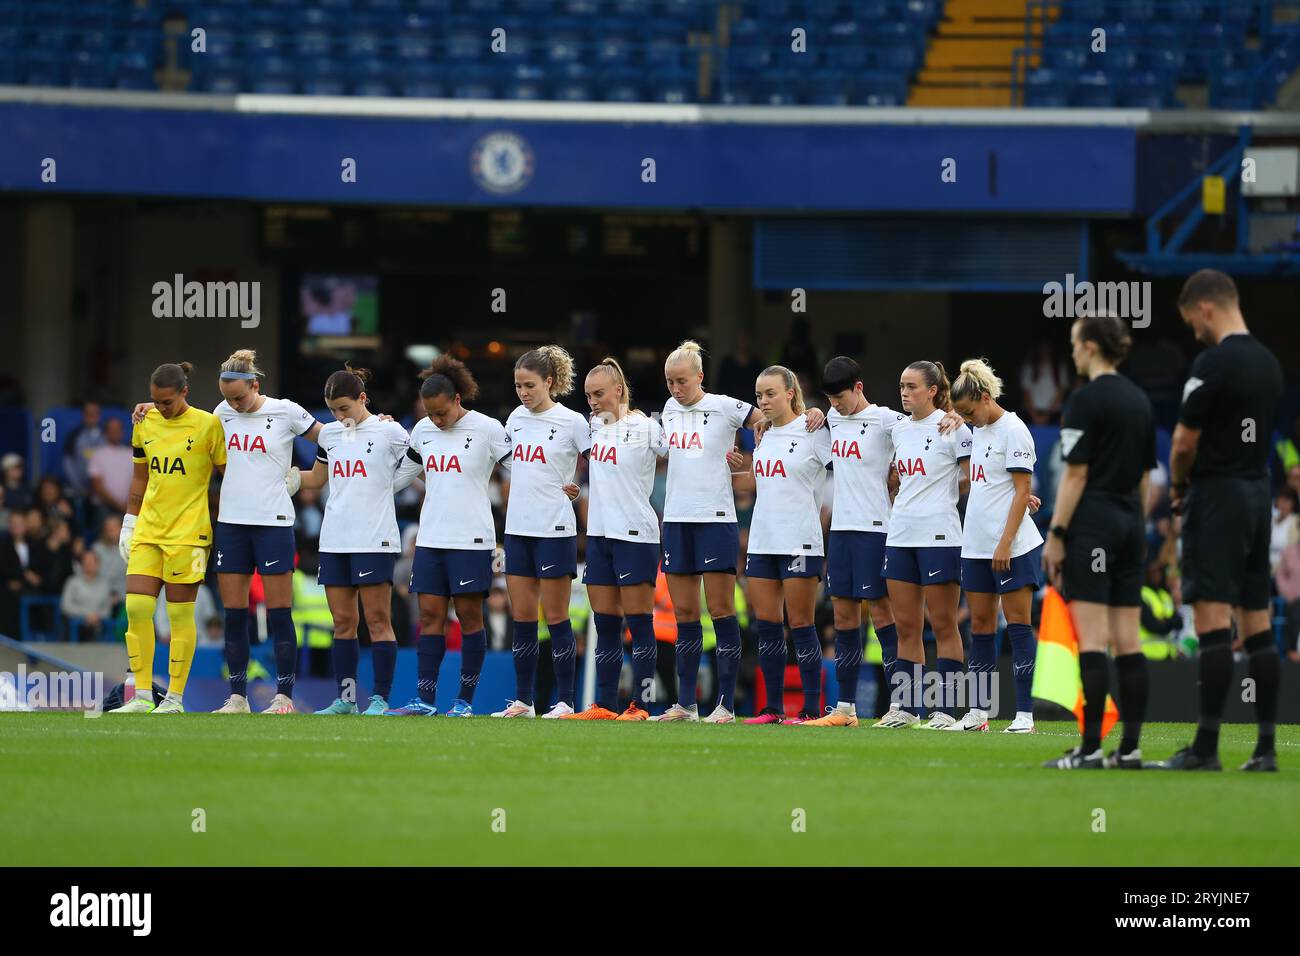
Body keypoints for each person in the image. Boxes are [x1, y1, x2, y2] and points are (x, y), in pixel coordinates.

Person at [653, 339, 823, 722]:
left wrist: (813, 412)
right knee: (684, 615)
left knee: (722, 611)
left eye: (682, 381)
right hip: (677, 520)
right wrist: (737, 460)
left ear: (699, 377)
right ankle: (686, 704)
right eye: (669, 382)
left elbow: (766, 420)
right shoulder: (667, 410)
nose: (675, 389)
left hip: (716, 520)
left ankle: (726, 705)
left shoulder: (727, 406)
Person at [1158, 270, 1286, 772]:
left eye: (1192, 322)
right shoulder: (1270, 363)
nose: (1194, 333)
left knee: (1212, 623)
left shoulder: (1213, 362)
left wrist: (1177, 488)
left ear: (1206, 308)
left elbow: (1185, 443)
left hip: (1216, 497)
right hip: (1258, 495)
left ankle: (1206, 748)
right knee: (1256, 624)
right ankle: (1266, 749)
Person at [1041, 315, 1155, 769]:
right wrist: (1139, 528)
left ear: (1089, 346)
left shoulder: (1085, 400)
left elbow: (1076, 473)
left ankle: (1089, 749)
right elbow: (1148, 476)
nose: (1071, 351)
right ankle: (1129, 749)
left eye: (1074, 343)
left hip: (1094, 523)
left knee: (1092, 639)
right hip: (1131, 519)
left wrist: (1058, 533)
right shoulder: (1140, 400)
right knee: (1128, 640)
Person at [384, 356, 511, 717]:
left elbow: (519, 467)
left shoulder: (487, 428)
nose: (436, 420)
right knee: (429, 617)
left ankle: (464, 701)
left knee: (470, 616)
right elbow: (399, 477)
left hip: (471, 539)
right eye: (430, 413)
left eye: (441, 412)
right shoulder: (423, 431)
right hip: (431, 538)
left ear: (457, 398)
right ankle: (424, 699)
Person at [107, 362, 228, 714]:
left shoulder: (208, 425)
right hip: (149, 529)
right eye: (155, 401)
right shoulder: (144, 423)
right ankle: (141, 695)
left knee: (179, 616)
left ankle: (173, 698)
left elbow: (228, 475)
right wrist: (130, 521)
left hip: (189, 534)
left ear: (184, 393)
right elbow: (140, 478)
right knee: (137, 608)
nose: (161, 408)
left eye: (167, 402)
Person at [297, 366, 412, 716]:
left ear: (363, 399)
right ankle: (346, 699)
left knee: (377, 620)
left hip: (374, 538)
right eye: (332, 410)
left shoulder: (389, 431)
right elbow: (318, 478)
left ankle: (379, 698)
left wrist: (390, 485)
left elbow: (421, 460)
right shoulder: (329, 435)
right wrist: (284, 479)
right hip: (334, 539)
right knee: (343, 623)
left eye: (344, 408)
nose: (338, 416)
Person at [800, 356, 904, 728]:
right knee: (844, 617)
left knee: (882, 616)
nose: (835, 405)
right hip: (841, 532)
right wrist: (815, 411)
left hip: (876, 529)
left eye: (840, 397)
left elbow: (928, 428)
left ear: (858, 387)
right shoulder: (830, 419)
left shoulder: (887, 420)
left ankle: (901, 707)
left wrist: (951, 415)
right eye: (829, 399)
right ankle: (845, 709)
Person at [492, 346, 590, 719]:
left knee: (556, 617)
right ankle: (524, 701)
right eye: (518, 386)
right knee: (523, 618)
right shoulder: (515, 418)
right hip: (518, 529)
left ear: (549, 382)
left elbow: (601, 463)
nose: (523, 392)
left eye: (530, 385)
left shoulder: (573, 422)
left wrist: (580, 491)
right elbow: (502, 457)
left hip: (555, 529)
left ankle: (565, 701)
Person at [567, 358, 666, 720]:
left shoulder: (647, 428)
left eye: (599, 393)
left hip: (636, 535)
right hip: (599, 535)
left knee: (639, 623)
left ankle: (641, 705)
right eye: (588, 395)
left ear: (619, 390)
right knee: (605, 623)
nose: (592, 401)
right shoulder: (593, 427)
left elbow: (685, 453)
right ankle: (605, 705)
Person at [877, 361, 972, 730]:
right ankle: (905, 707)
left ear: (932, 390)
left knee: (945, 625)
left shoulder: (952, 427)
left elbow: (973, 476)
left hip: (940, 537)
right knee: (906, 628)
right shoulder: (898, 429)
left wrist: (961, 420)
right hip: (899, 536)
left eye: (912, 386)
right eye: (901, 386)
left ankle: (946, 710)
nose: (904, 392)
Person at [951, 358, 1043, 733]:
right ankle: (978, 713)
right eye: (962, 415)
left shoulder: (1014, 430)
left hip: (1013, 546)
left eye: (970, 411)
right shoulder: (979, 430)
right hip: (975, 544)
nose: (967, 420)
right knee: (982, 628)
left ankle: (1024, 714)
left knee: (1019, 626)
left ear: (986, 397)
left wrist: (1004, 543)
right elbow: (999, 485)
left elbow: (1023, 492)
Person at [741, 365, 833, 725]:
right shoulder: (760, 434)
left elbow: (851, 452)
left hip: (800, 541)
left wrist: (824, 413)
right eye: (759, 394)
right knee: (766, 626)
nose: (763, 401)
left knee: (801, 625)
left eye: (771, 394)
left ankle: (812, 710)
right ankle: (772, 709)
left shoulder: (814, 432)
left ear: (791, 393)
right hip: (763, 541)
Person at [61, 549, 113, 641]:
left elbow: (107, 609)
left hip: (97, 624)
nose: (88, 564)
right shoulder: (72, 582)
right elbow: (66, 606)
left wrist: (96, 616)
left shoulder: (105, 584)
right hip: (76, 625)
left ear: (98, 564)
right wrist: (86, 615)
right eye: (86, 561)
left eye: (91, 561)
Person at [88, 416, 135, 516]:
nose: (115, 432)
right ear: (106, 432)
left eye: (117, 429)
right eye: (111, 429)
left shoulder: (131, 453)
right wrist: (118, 504)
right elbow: (97, 485)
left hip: (129, 507)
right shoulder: (98, 454)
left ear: (122, 432)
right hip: (104, 508)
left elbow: (138, 480)